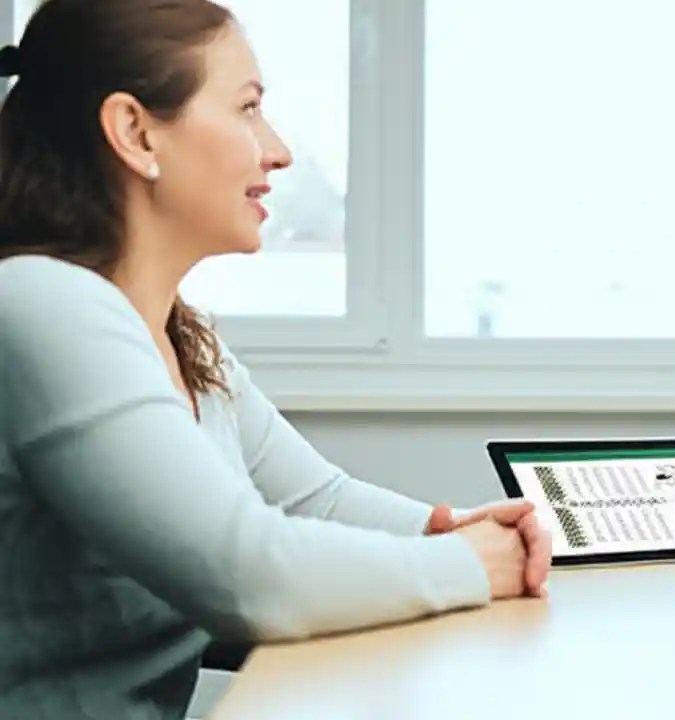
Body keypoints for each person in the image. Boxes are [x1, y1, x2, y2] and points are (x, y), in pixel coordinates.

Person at [0, 1, 551, 717]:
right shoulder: (39, 304)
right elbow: (247, 574)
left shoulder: (182, 337)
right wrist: (475, 563)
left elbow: (315, 499)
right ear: (135, 132)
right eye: (248, 108)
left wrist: (450, 526)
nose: (279, 149)